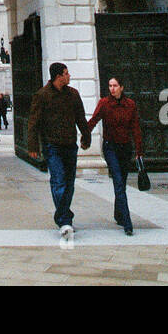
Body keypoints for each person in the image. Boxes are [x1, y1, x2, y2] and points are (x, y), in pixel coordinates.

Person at [26, 63, 91, 239]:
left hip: (70, 144)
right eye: (66, 73)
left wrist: (86, 136)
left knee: (69, 183)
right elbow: (33, 122)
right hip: (52, 146)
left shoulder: (73, 95)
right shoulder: (42, 95)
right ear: (58, 76)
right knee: (58, 181)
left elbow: (80, 117)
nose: (69, 76)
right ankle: (64, 220)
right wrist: (33, 146)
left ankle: (63, 216)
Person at [87, 76, 144, 236]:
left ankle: (118, 214)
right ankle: (127, 222)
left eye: (115, 85)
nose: (112, 88)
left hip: (125, 148)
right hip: (110, 147)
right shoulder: (104, 103)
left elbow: (135, 128)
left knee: (122, 183)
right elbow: (94, 120)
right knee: (118, 182)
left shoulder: (130, 105)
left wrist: (139, 151)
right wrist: (85, 137)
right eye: (110, 85)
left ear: (121, 87)